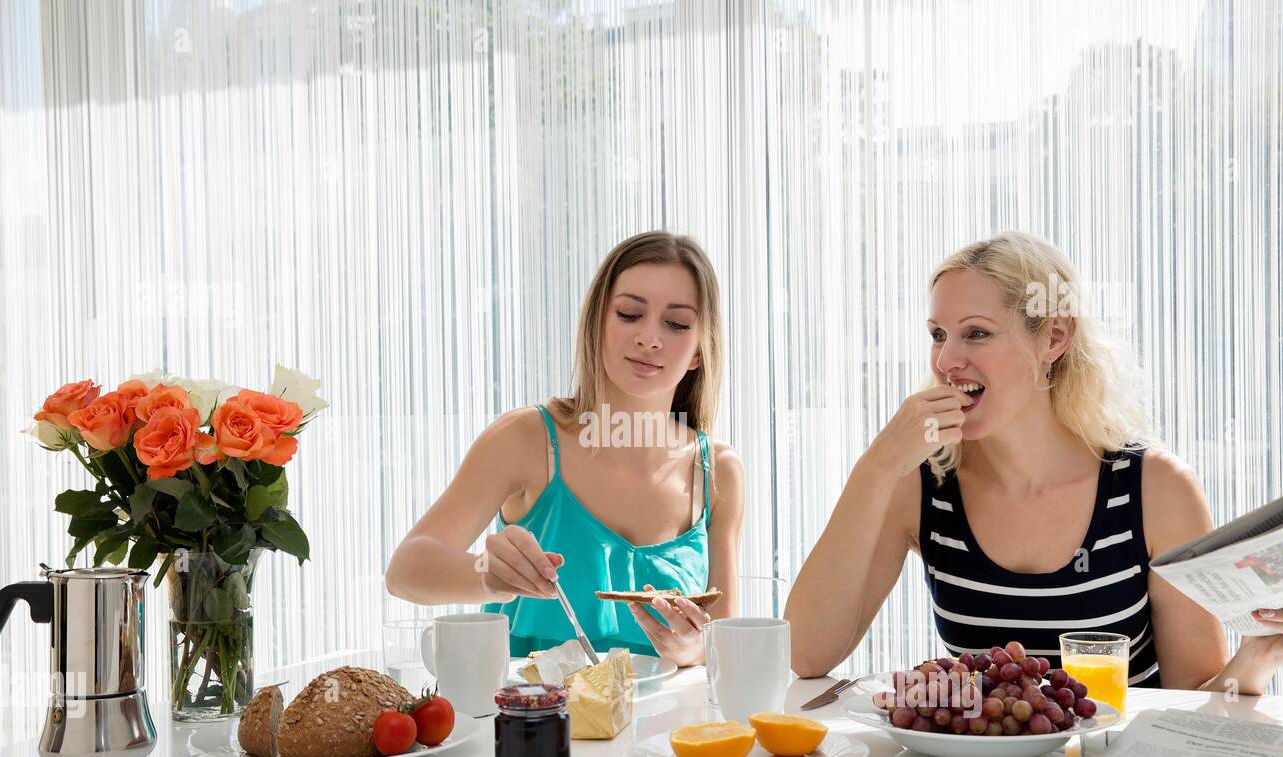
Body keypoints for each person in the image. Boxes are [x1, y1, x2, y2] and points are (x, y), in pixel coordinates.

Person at [787, 230, 1282, 695]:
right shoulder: (922, 482)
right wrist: (875, 467)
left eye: (976, 334)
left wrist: (1257, 657)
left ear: (1054, 338)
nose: (946, 361)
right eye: (938, 334)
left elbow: (1193, 704)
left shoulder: (1155, 488)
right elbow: (806, 655)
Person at [385, 231, 743, 666]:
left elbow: (723, 647)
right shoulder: (526, 439)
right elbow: (405, 571)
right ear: (596, 324)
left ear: (698, 353)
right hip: (531, 725)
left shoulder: (718, 470)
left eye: (677, 324)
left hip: (663, 731)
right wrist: (486, 575)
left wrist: (691, 648)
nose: (649, 338)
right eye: (630, 314)